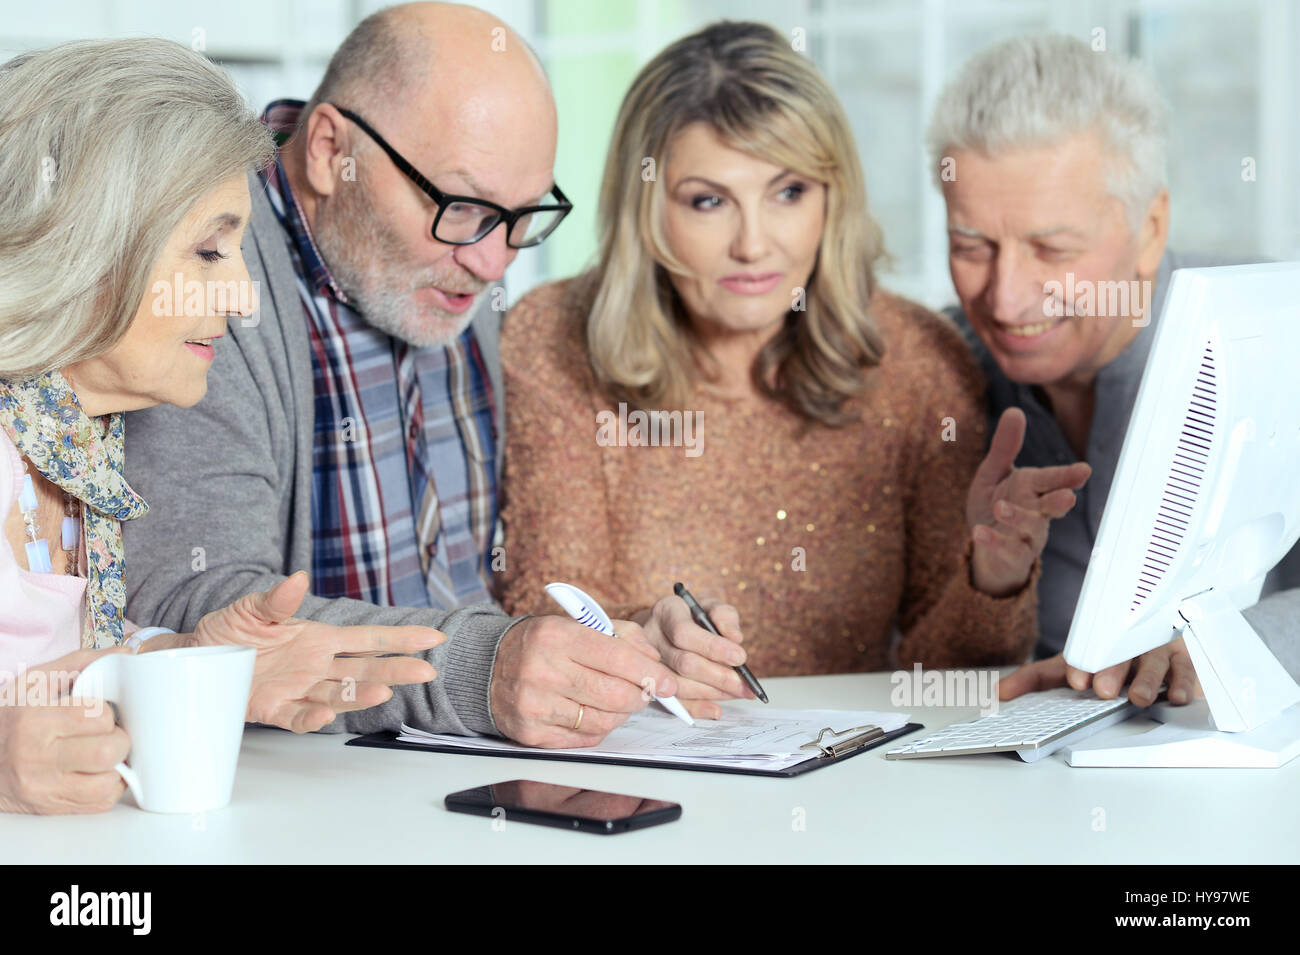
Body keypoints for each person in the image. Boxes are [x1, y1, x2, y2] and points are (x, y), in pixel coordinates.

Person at [122, 2, 694, 748]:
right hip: (307, 784)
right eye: (460, 207)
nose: (494, 264)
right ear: (329, 149)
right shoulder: (211, 269)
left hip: (470, 759)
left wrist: (608, 641)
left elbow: (470, 593)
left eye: (523, 217)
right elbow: (193, 607)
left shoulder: (454, 264)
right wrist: (477, 666)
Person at [495, 20, 1093, 716]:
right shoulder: (553, 338)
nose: (755, 244)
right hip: (628, 765)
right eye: (708, 201)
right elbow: (545, 611)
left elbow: (944, 685)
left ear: (831, 198)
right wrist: (651, 633)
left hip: (848, 778)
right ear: (646, 207)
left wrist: (993, 577)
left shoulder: (916, 358)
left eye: (788, 193)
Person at [0, 38, 446, 814]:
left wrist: (186, 657)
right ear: (84, 242)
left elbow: (42, 668)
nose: (243, 301)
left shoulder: (79, 447)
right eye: (210, 249)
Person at [925, 34, 1300, 704]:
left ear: (1150, 229)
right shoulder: (942, 372)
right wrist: (992, 579)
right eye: (970, 245)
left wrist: (1227, 645)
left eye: (1052, 246)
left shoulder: (1271, 334)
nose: (1006, 298)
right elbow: (926, 672)